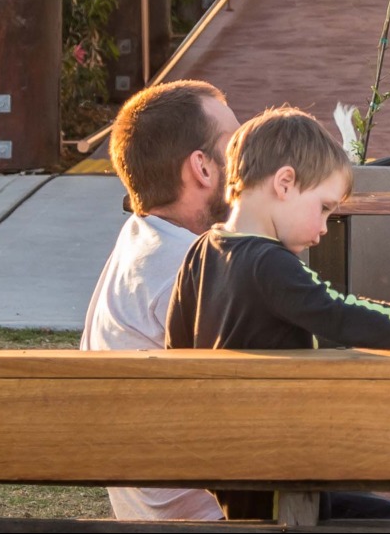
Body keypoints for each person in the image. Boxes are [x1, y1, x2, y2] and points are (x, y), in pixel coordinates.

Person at [166, 108, 390, 521]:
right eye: (325, 208)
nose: (325, 227)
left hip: (230, 456)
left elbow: (176, 347)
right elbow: (337, 312)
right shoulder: (269, 262)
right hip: (274, 466)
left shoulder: (202, 250)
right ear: (285, 183)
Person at [80, 80, 242, 524]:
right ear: (202, 169)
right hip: (217, 516)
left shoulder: (144, 240)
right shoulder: (187, 267)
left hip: (158, 509)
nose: (252, 159)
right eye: (239, 145)